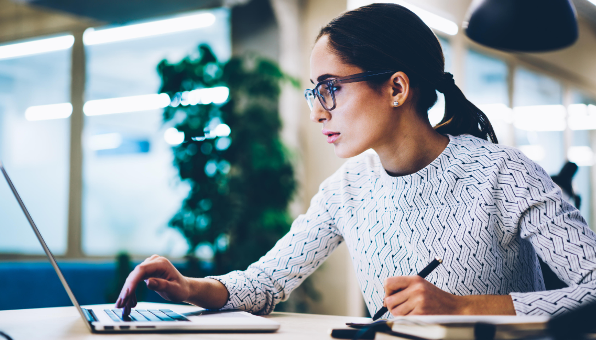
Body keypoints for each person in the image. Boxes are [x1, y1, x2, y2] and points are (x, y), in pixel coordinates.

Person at [116, 3, 596, 317]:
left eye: (330, 88)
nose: (316, 110)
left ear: (396, 88)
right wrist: (190, 287)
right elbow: (266, 282)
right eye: (312, 92)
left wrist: (465, 308)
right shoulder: (348, 187)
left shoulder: (504, 173)